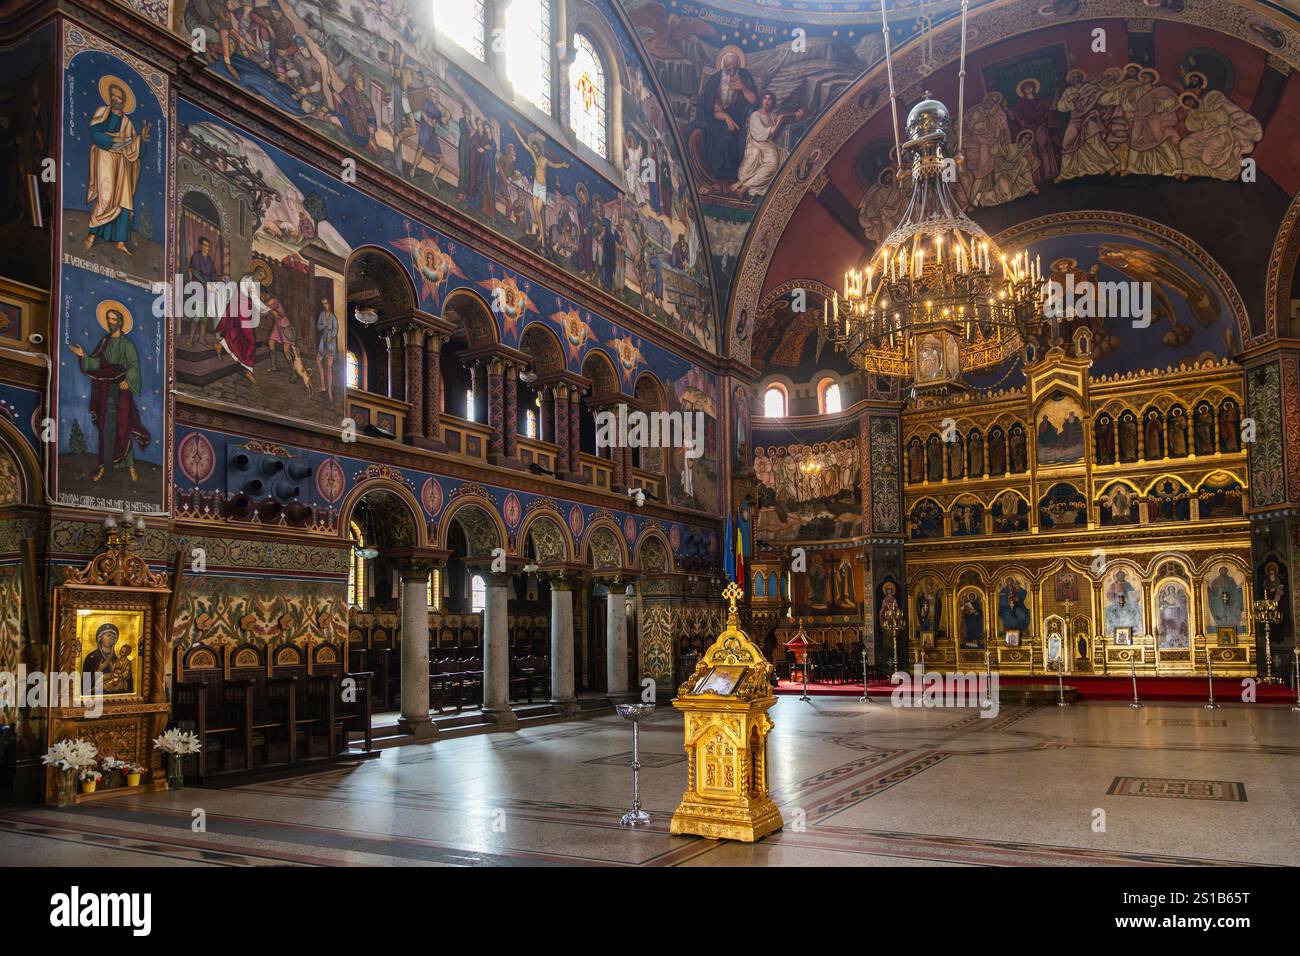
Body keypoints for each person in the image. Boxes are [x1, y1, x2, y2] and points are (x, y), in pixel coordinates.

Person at [69, 301, 148, 484]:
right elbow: (97, 364)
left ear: (120, 322)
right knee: (106, 428)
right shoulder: (104, 342)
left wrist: (127, 380)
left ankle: (130, 466)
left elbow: (134, 367)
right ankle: (104, 467)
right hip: (106, 392)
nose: (110, 322)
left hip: (121, 392)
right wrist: (84, 356)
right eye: (108, 319)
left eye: (114, 319)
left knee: (123, 428)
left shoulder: (128, 345)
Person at [84, 78, 150, 255]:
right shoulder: (102, 112)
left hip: (122, 162)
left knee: (124, 200)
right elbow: (94, 133)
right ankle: (92, 233)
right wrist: (114, 140)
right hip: (105, 156)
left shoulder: (127, 123)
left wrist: (140, 139)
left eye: (119, 97)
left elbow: (133, 149)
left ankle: (120, 241)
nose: (116, 99)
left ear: (124, 101)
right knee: (106, 196)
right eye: (113, 96)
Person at [687, 49, 757, 191]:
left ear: (739, 66)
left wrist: (742, 88)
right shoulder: (714, 80)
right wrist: (725, 116)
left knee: (727, 140)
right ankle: (703, 180)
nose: (731, 72)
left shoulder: (744, 77)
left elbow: (755, 101)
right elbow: (710, 108)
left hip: (737, 124)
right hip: (714, 120)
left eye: (734, 69)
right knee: (694, 135)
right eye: (728, 69)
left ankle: (722, 180)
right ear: (723, 67)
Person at [734, 91, 803, 198]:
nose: (767, 101)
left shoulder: (772, 115)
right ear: (761, 100)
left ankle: (745, 187)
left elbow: (783, 120)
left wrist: (796, 115)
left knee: (781, 159)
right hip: (756, 144)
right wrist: (780, 120)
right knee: (772, 162)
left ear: (772, 102)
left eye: (769, 99)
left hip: (767, 145)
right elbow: (764, 134)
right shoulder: (755, 115)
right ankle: (744, 186)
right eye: (765, 98)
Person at [315, 296, 338, 401]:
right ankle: (323, 386)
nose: (325, 305)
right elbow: (318, 326)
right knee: (318, 361)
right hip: (322, 340)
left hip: (330, 342)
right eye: (323, 304)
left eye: (326, 303)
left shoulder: (333, 317)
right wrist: (323, 325)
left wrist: (332, 337)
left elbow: (335, 329)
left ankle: (329, 390)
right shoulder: (322, 314)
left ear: (330, 304)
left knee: (329, 367)